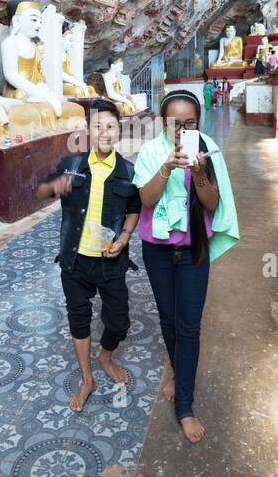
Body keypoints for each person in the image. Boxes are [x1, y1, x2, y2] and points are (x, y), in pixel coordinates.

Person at [133, 90, 239, 443]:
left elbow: (211, 203)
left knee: (189, 325)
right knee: (167, 318)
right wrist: (166, 166)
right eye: (174, 124)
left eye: (189, 124)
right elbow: (146, 199)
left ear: (198, 122)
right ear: (164, 123)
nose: (181, 131)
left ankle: (185, 406)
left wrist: (200, 171)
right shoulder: (150, 152)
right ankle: (180, 374)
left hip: (193, 249)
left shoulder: (208, 151)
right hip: (158, 251)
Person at [35, 100, 142, 411]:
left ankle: (105, 356)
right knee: (78, 319)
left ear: (119, 131)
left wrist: (123, 238)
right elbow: (41, 192)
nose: (104, 132)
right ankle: (87, 379)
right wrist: (55, 186)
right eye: (98, 126)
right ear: (88, 132)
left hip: (111, 262)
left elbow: (134, 209)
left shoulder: (128, 171)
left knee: (119, 321)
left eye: (110, 126)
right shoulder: (70, 164)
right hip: (75, 261)